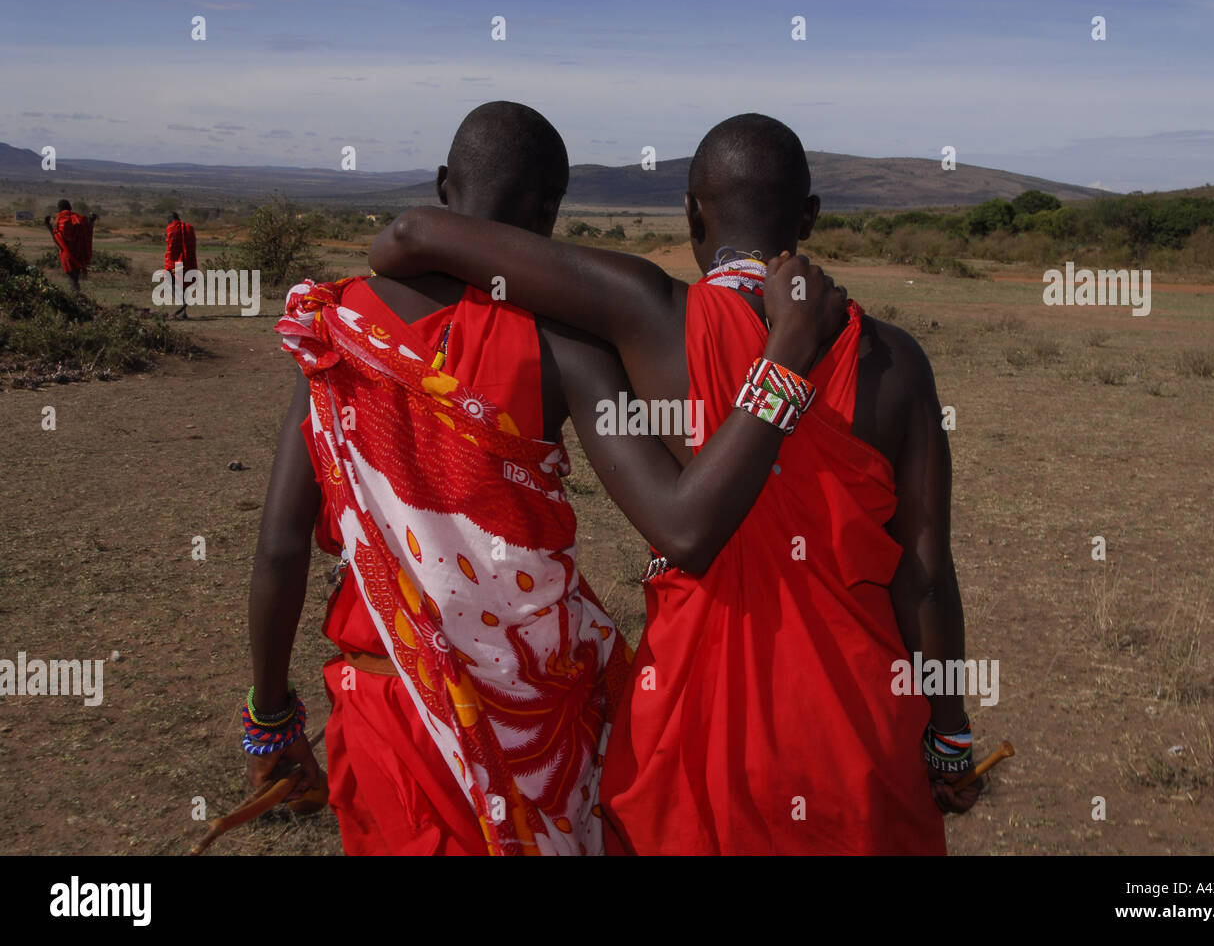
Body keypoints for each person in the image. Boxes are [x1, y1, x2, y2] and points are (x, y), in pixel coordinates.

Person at [369, 112, 983, 854]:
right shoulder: (898, 363)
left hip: (693, 736)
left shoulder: (650, 313)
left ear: (691, 213)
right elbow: (926, 576)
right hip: (856, 740)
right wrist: (948, 734)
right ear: (811, 216)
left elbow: (408, 236)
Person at [246, 103, 847, 856]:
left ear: (442, 184)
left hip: (385, 708)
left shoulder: (337, 335)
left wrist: (268, 717)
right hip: (536, 713)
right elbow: (678, 518)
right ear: (551, 211)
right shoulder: (566, 346)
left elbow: (279, 549)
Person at [44, 199, 95, 292]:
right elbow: (88, 231)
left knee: (73, 280)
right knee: (75, 278)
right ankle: (77, 297)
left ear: (59, 209)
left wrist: (48, 226)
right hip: (79, 253)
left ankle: (76, 298)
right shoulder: (79, 219)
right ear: (70, 208)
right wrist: (92, 221)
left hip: (67, 255)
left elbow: (57, 239)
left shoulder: (61, 221)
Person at [164, 212, 198, 319]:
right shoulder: (189, 227)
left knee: (170, 280)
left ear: (170, 219)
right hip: (188, 262)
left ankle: (183, 305)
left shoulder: (171, 228)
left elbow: (170, 245)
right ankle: (183, 310)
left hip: (176, 263)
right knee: (182, 283)